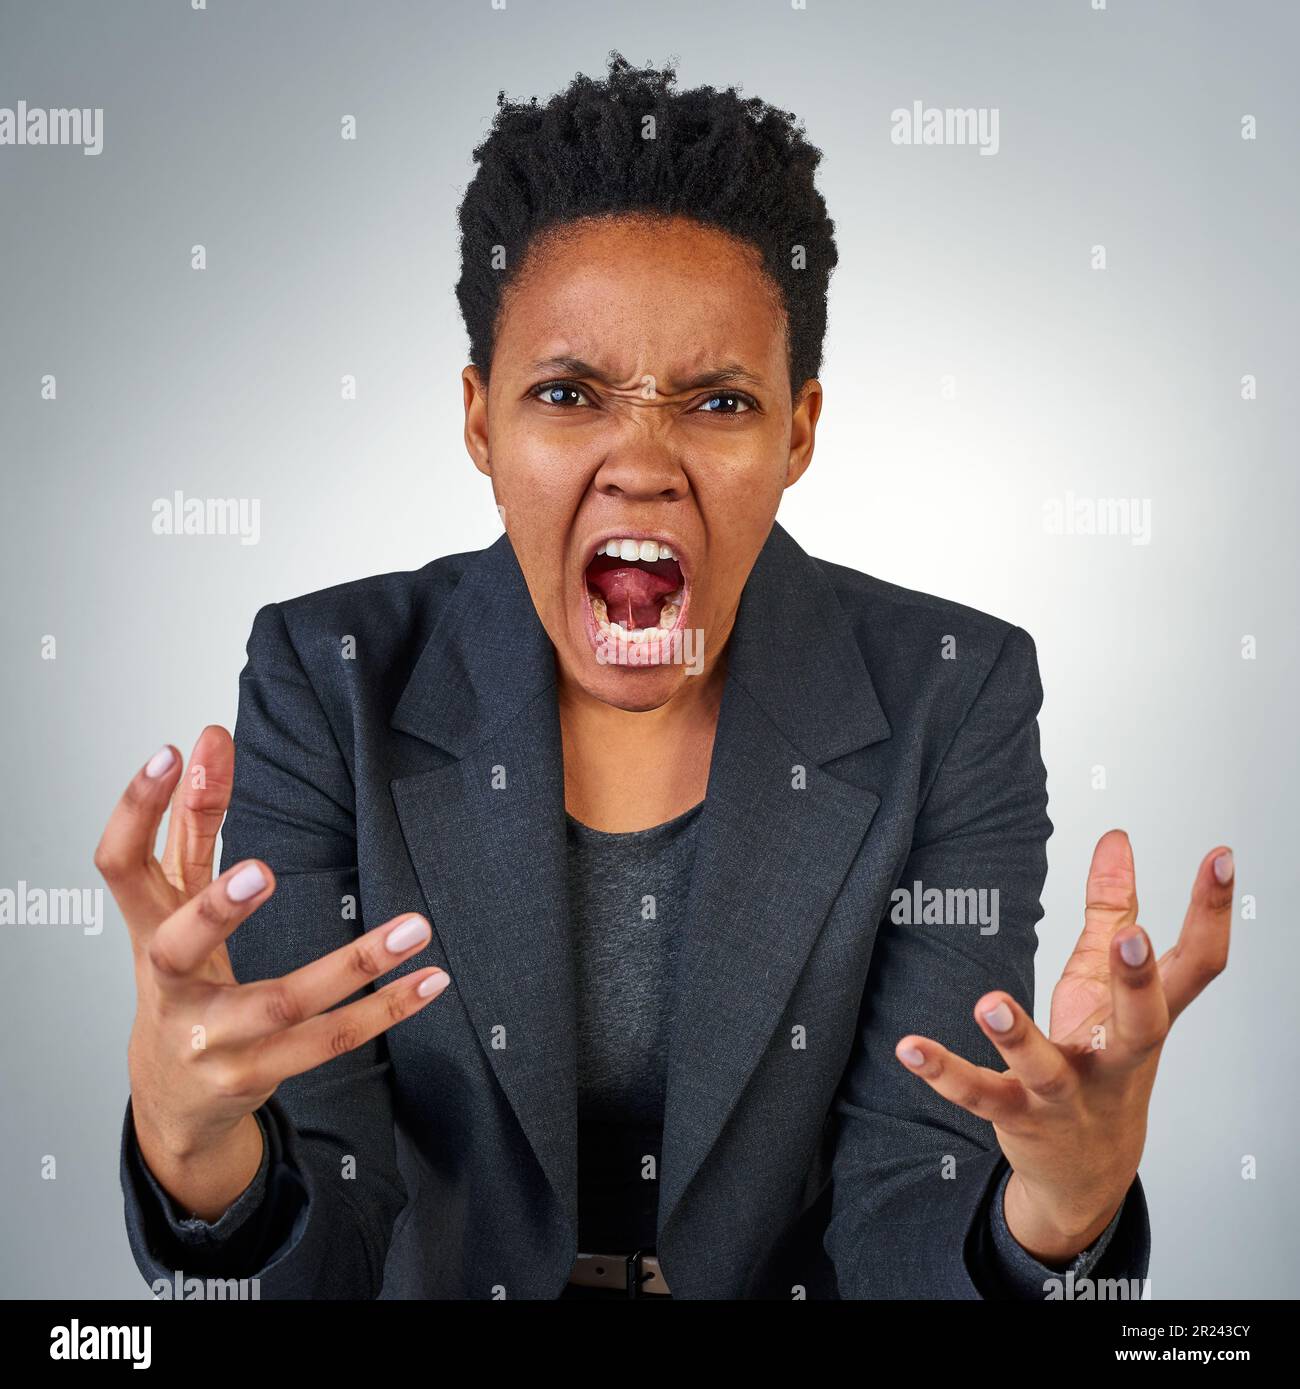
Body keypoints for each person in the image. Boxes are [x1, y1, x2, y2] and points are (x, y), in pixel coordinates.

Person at [100, 53, 1233, 1300]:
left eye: (717, 401)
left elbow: (914, 1204)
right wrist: (196, 1146)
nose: (640, 461)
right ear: (480, 420)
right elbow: (325, 1235)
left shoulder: (949, 695)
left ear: (798, 429)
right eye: (567, 393)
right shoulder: (329, 678)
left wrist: (1056, 1216)